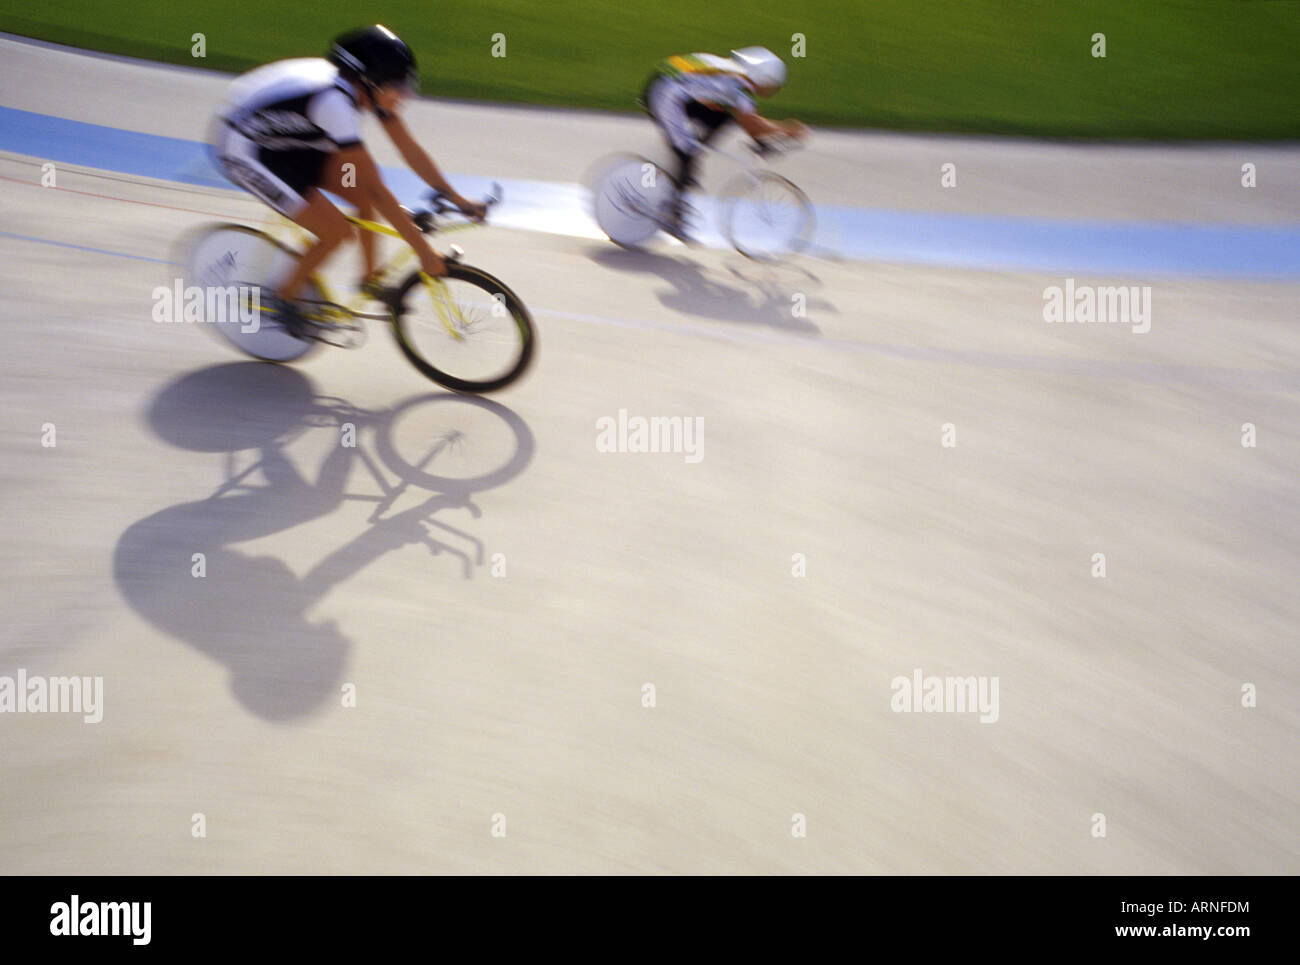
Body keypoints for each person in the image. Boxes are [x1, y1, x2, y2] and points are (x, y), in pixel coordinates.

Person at [208, 25, 485, 337]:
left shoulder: (367, 92)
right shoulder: (334, 104)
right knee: (336, 232)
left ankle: (370, 280)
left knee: (362, 193)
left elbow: (409, 151)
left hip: (288, 138)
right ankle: (282, 297)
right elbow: (379, 189)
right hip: (244, 150)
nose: (404, 95)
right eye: (399, 86)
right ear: (369, 82)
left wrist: (457, 198)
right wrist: (426, 254)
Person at [638, 46, 809, 240]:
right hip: (665, 93)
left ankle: (687, 161)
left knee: (723, 117)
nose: (771, 90)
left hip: (668, 84)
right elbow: (754, 126)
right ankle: (670, 214)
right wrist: (789, 130)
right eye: (772, 85)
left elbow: (747, 122)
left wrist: (762, 138)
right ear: (763, 78)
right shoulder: (741, 86)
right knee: (686, 150)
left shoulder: (735, 72)